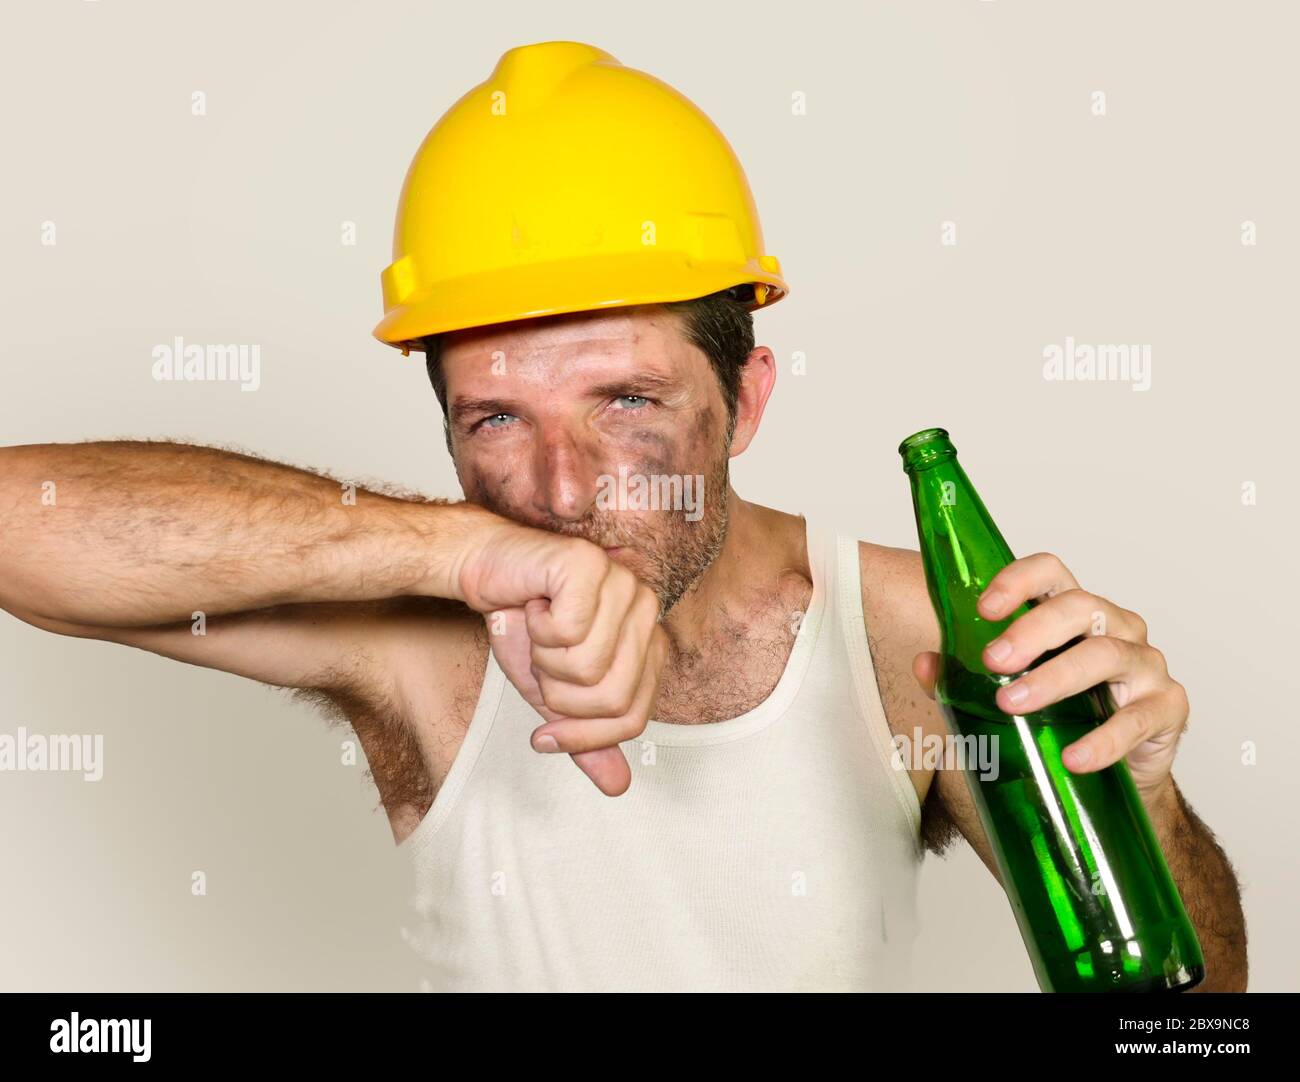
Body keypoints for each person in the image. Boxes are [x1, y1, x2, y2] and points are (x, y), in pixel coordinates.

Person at [0, 40, 1246, 992]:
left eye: (627, 401)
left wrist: (1149, 805)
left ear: (745, 395)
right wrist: (460, 550)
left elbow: (1181, 1018)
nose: (558, 488)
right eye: (494, 417)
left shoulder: (911, 638)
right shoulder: (424, 638)